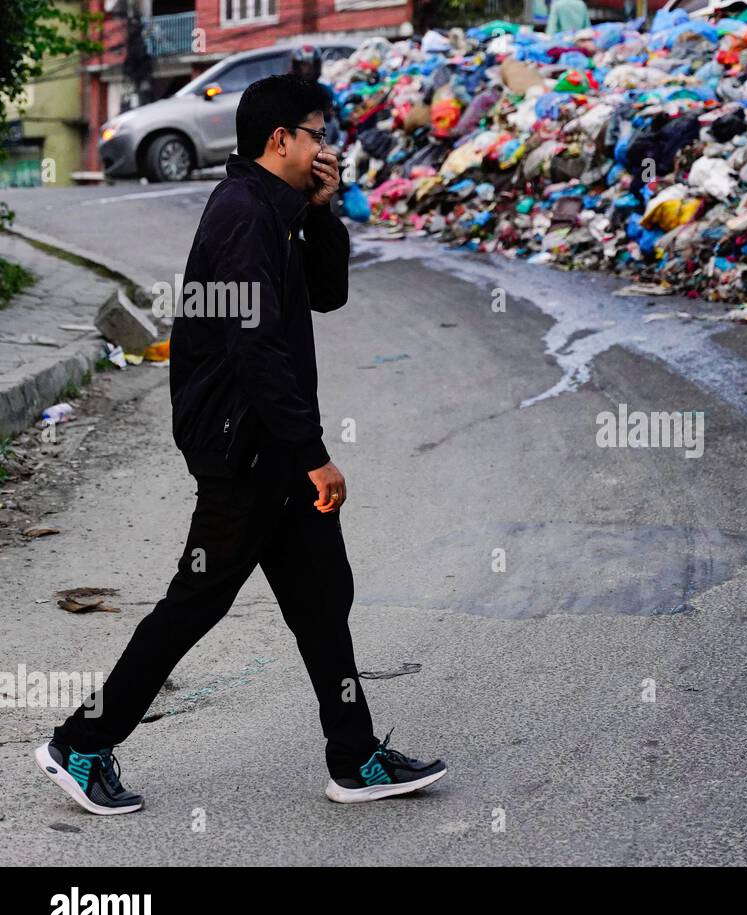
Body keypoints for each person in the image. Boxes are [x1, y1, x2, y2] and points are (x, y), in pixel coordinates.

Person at [34, 75, 446, 815]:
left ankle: (355, 757)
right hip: (245, 452)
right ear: (280, 139)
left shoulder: (277, 209)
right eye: (317, 133)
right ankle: (81, 742)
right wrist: (313, 451)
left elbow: (327, 295)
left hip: (268, 446)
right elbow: (257, 351)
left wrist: (322, 213)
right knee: (196, 602)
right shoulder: (244, 216)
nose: (327, 147)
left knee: (323, 597)